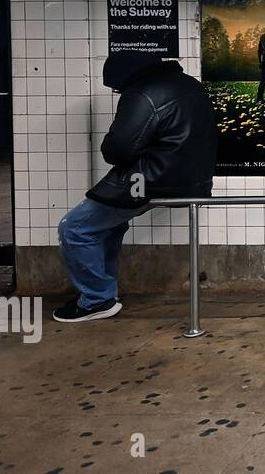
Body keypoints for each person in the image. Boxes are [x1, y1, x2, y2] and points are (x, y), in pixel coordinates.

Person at [54, 52, 217, 323]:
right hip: (192, 180)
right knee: (105, 226)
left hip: (150, 182)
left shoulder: (143, 93)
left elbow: (118, 149)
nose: (118, 92)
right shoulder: (188, 83)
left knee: (74, 228)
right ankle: (102, 294)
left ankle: (97, 299)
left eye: (117, 87)